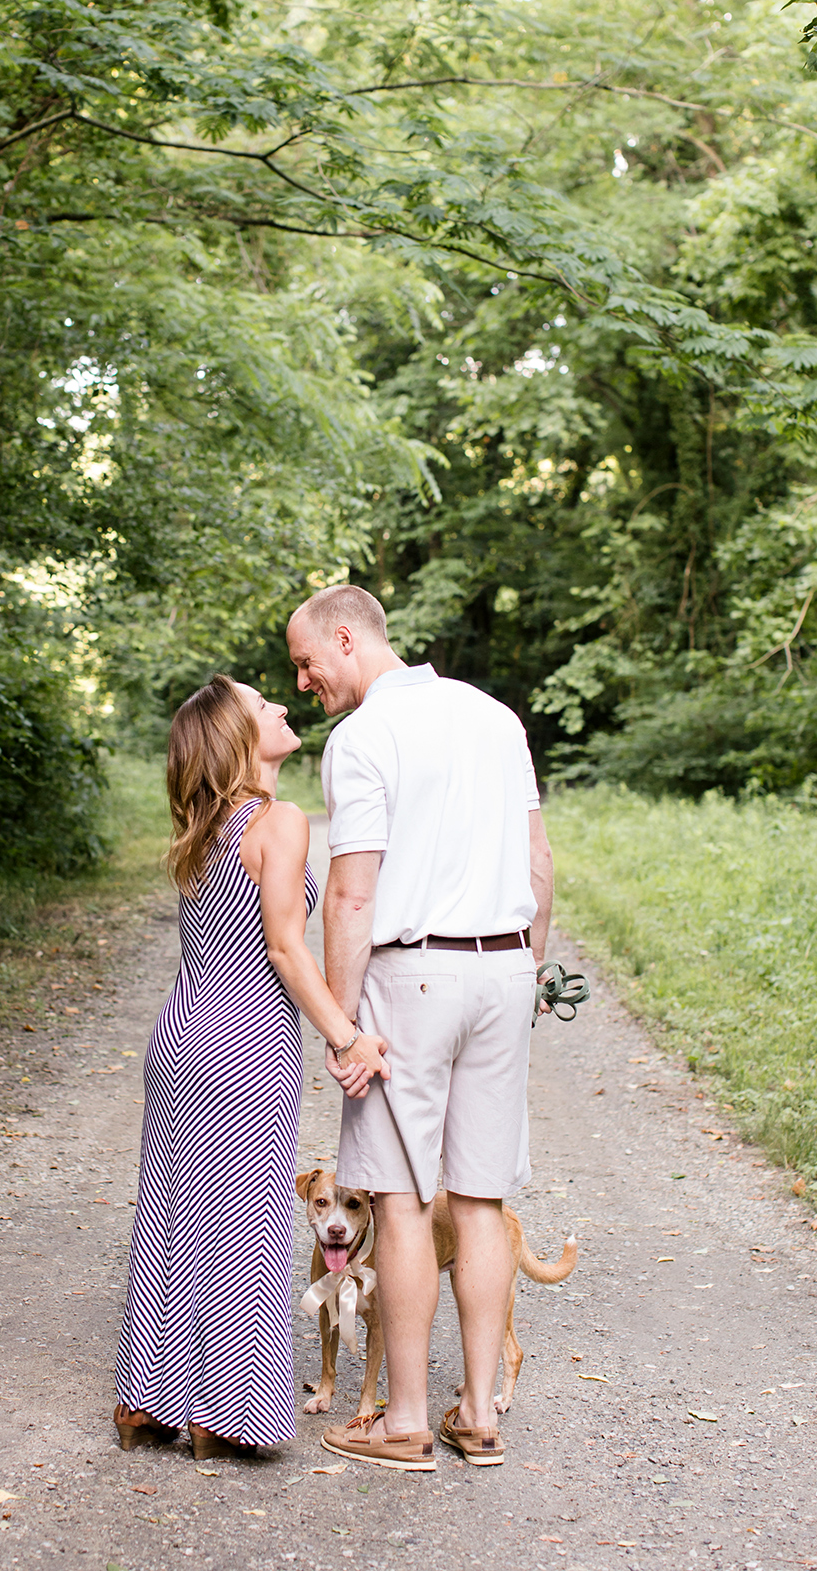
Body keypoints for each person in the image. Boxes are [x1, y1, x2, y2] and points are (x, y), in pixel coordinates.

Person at [285, 586, 553, 1472]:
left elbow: (353, 891)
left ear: (348, 637)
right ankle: (478, 1414)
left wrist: (340, 1023)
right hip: (505, 969)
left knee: (398, 1201)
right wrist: (528, 974)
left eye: (306, 660)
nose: (303, 680)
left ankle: (401, 1423)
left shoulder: (362, 737)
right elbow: (537, 866)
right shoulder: (494, 717)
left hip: (413, 974)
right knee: (478, 1200)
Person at [113, 674, 388, 1460]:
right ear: (238, 735)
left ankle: (149, 1400)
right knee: (244, 1230)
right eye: (261, 703)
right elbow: (283, 947)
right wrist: (346, 1036)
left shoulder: (205, 828)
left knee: (172, 1218)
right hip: (241, 1044)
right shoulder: (279, 820)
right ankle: (222, 1411)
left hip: (178, 1042)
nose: (279, 705)